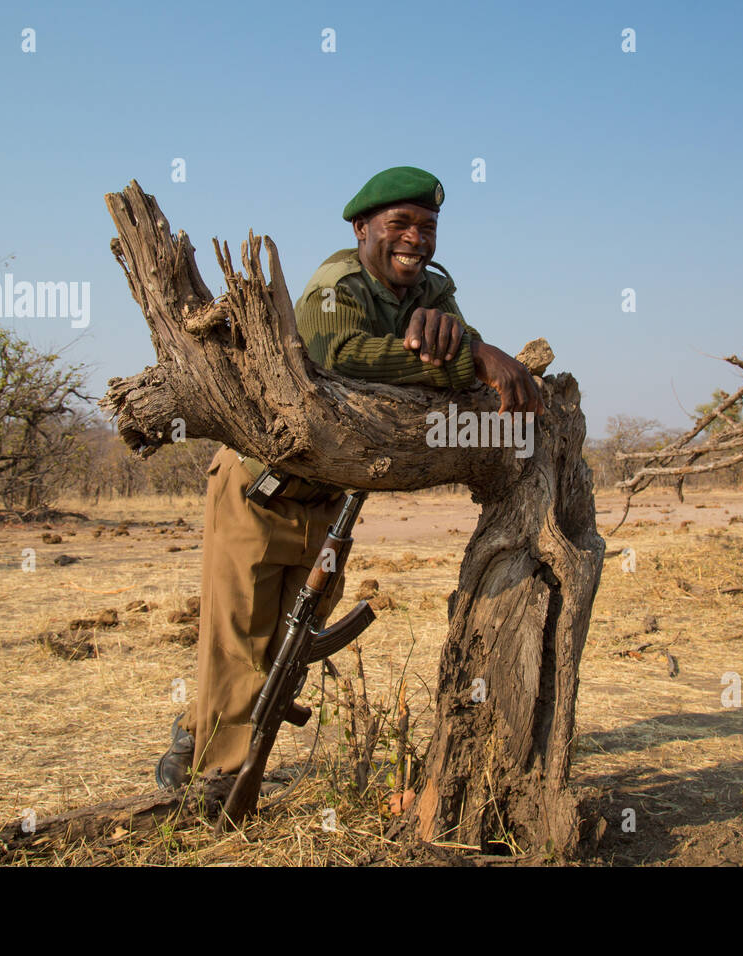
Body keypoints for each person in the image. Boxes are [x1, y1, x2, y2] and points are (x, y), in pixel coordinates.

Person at [157, 166, 543, 789]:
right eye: (400, 225)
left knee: (290, 647)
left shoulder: (432, 292)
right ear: (363, 228)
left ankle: (196, 731)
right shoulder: (336, 284)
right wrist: (470, 357)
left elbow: (459, 353)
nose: (415, 239)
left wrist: (469, 345)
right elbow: (340, 358)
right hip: (259, 489)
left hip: (330, 502)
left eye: (427, 226)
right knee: (239, 642)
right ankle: (221, 791)